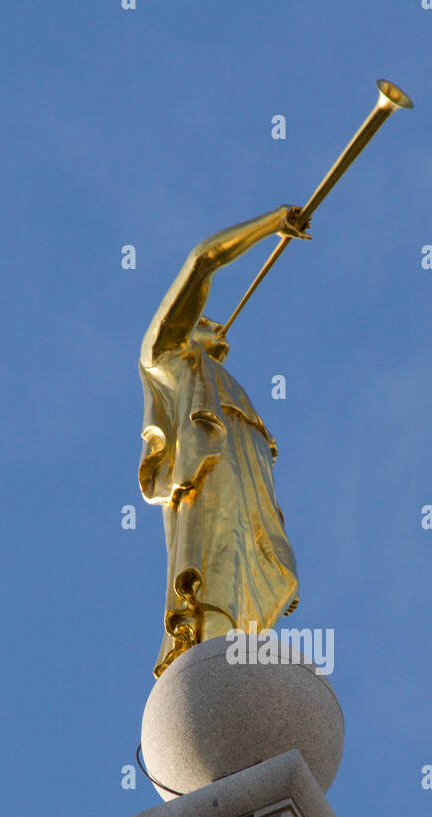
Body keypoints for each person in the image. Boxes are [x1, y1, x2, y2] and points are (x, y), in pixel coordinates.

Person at [138, 205, 310, 678]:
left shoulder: (226, 389)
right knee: (210, 582)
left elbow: (259, 491)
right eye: (205, 318)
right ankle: (208, 676)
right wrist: (273, 223)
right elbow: (203, 259)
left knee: (236, 584)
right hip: (202, 490)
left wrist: (275, 551)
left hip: (241, 505)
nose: (219, 325)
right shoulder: (165, 359)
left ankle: (232, 676)